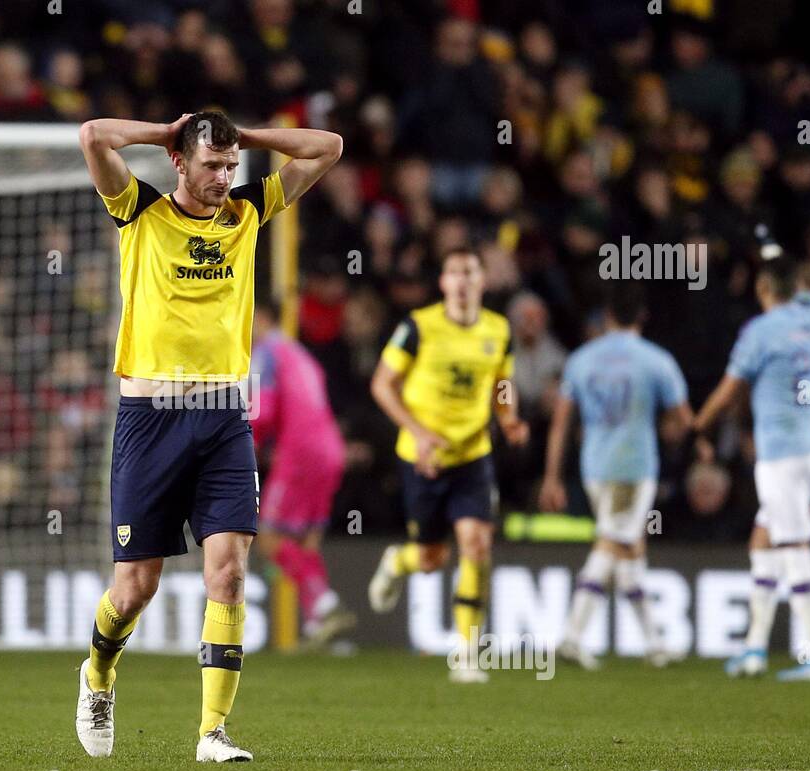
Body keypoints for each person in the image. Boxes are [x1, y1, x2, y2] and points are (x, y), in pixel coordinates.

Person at [75, 109, 341, 761]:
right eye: (211, 164)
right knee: (135, 588)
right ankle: (98, 674)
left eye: (230, 166)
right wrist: (167, 128)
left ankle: (212, 731)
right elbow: (92, 136)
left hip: (224, 417)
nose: (224, 177)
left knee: (227, 571)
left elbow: (328, 147)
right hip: (149, 420)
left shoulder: (249, 211)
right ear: (179, 162)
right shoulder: (137, 210)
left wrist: (245, 138)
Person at [367, 247, 529, 683]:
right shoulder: (418, 326)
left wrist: (509, 419)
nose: (461, 281)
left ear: (482, 281)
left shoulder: (498, 329)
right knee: (430, 558)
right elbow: (382, 385)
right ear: (442, 282)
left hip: (472, 455)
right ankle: (396, 562)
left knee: (476, 544)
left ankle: (467, 653)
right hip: (422, 457)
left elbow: (502, 384)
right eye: (454, 272)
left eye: (469, 272)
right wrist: (419, 434)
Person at [694, 254, 810, 681]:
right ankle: (754, 648)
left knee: (794, 547)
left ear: (763, 292)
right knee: (763, 541)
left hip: (783, 454)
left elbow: (728, 390)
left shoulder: (759, 331)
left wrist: (698, 424)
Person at [540, 286, 692, 669]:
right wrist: (698, 442)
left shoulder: (580, 360)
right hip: (633, 467)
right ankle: (572, 636)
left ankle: (654, 643)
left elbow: (560, 425)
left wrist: (552, 477)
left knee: (629, 551)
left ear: (607, 317)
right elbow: (682, 419)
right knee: (612, 543)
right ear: (641, 316)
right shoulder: (657, 360)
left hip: (594, 468)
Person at [249, 298, 353, 646]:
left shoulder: (266, 352)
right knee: (306, 541)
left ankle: (325, 603)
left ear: (261, 317)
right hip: (331, 448)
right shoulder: (301, 354)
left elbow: (261, 413)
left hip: (301, 453)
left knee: (269, 537)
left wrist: (242, 450)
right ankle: (318, 623)